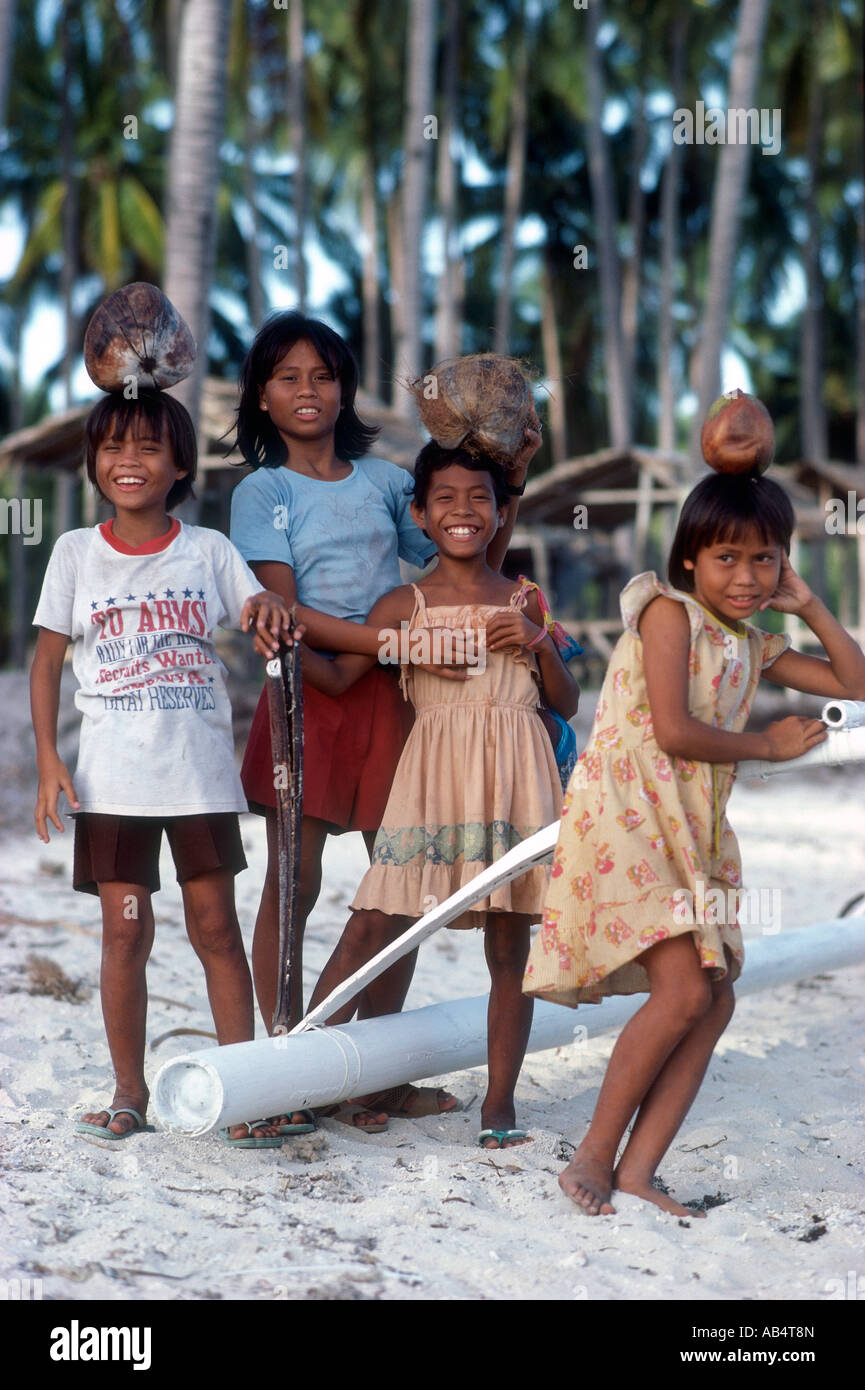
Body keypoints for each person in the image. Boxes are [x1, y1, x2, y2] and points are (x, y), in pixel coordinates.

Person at [523, 471, 865, 1213]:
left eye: (764, 559)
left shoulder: (752, 640)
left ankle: (639, 1170)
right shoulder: (666, 612)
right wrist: (766, 747)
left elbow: (855, 683)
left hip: (690, 824)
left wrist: (809, 605)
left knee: (713, 1003)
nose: (746, 577)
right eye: (727, 558)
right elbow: (673, 730)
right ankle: (590, 1156)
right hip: (629, 818)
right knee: (682, 991)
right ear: (688, 560)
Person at [229, 312, 540, 1127]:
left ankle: (369, 1073)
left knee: (400, 889)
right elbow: (286, 609)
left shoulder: (386, 482)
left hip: (400, 695)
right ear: (261, 395)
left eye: (323, 375)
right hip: (309, 685)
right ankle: (285, 1066)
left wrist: (519, 473)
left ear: (346, 389)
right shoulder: (261, 492)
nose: (308, 391)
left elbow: (466, 553)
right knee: (291, 885)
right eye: (289, 377)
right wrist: (396, 639)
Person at [30, 389, 297, 1148]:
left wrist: (266, 613)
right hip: (113, 784)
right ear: (94, 462)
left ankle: (244, 1087)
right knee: (126, 933)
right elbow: (48, 660)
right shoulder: (76, 553)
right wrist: (51, 757)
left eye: (148, 447)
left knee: (215, 928)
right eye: (113, 447)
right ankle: (128, 1092)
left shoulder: (208, 550)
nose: (129, 461)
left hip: (198, 779)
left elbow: (254, 607)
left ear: (179, 464)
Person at [299, 442, 580, 1147]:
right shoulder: (403, 603)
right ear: (419, 515)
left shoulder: (524, 599)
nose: (463, 510)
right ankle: (295, 1075)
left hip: (517, 786)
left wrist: (540, 641)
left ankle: (499, 1108)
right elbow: (337, 678)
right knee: (373, 920)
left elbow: (566, 705)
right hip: (429, 784)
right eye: (445, 499)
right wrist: (275, 629)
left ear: (499, 512)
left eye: (479, 497)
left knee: (510, 947)